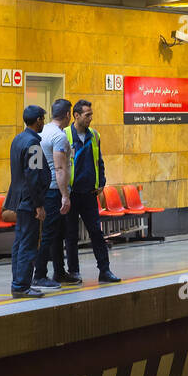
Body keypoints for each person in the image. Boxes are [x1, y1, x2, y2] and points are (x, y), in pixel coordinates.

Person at [64, 99, 120, 283]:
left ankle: (104, 270)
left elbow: (99, 162)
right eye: (87, 115)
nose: (90, 118)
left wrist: (101, 182)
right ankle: (74, 272)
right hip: (71, 194)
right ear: (76, 115)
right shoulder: (64, 136)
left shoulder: (94, 136)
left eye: (91, 115)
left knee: (96, 232)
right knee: (71, 235)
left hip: (89, 194)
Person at [6, 105, 50, 298]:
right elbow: (33, 176)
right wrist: (39, 204)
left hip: (18, 199)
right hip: (29, 202)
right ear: (38, 120)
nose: (44, 123)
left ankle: (18, 282)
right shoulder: (33, 144)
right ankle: (22, 285)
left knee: (19, 243)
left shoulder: (18, 140)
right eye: (43, 119)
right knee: (28, 244)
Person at [33, 98, 77, 288]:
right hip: (54, 191)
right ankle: (40, 274)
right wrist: (65, 195)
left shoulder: (43, 131)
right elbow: (60, 168)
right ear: (68, 115)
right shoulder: (59, 136)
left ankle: (59, 271)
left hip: (45, 189)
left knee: (57, 233)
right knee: (51, 234)